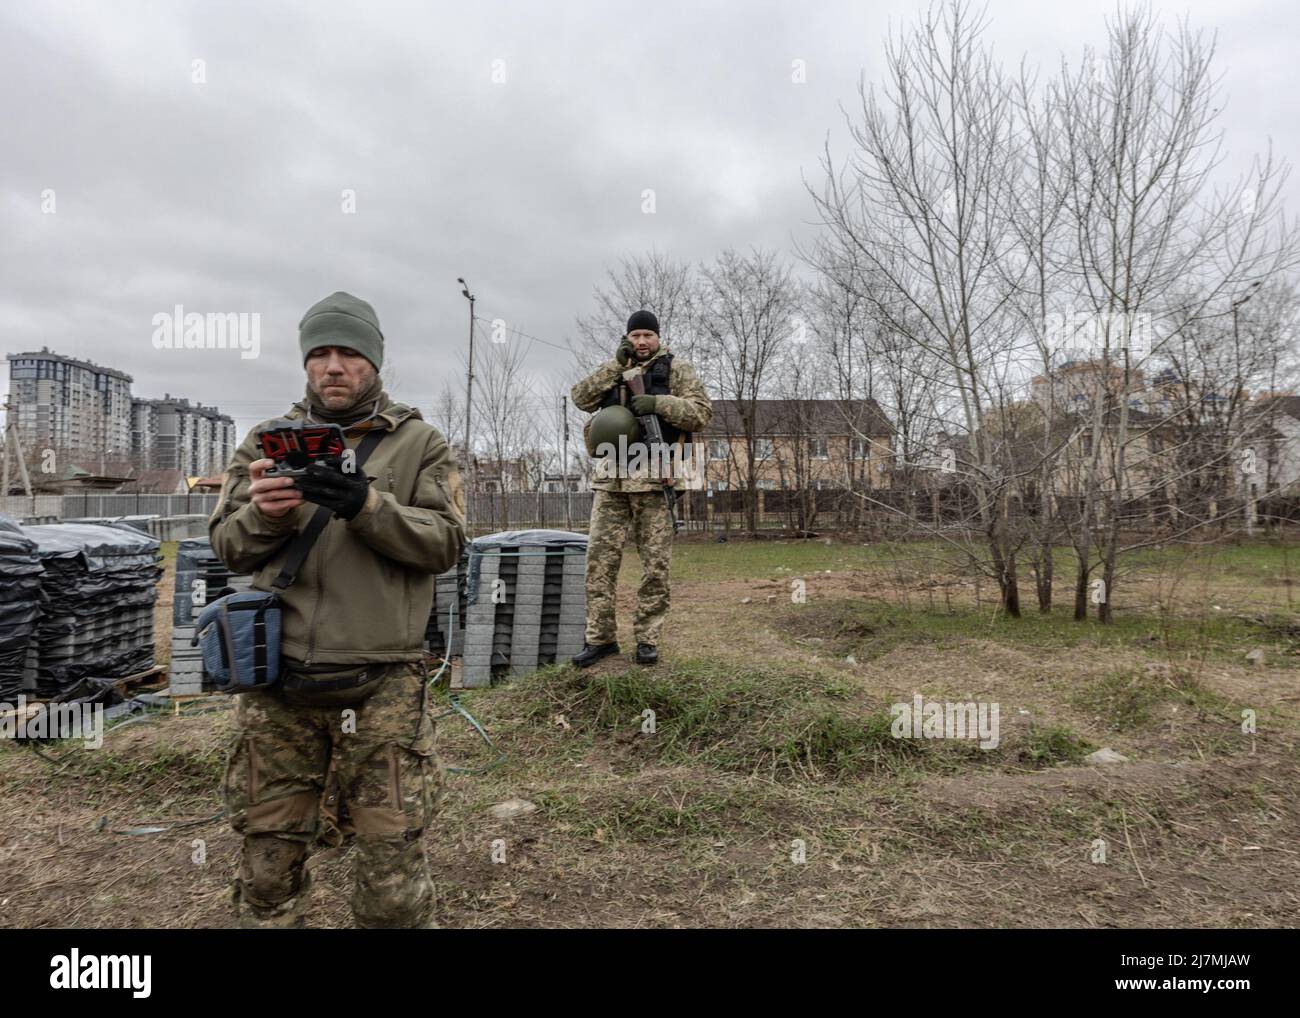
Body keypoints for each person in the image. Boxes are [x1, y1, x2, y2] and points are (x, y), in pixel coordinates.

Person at [208, 290, 467, 928]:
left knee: (390, 875)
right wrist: (265, 516)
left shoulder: (420, 444)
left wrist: (365, 506)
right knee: (267, 864)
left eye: (348, 353)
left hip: (383, 687)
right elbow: (226, 546)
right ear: (304, 365)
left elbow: (447, 543)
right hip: (279, 688)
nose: (332, 367)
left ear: (374, 362)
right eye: (319, 354)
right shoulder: (265, 442)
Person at [569, 310, 712, 667]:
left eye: (648, 335)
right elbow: (580, 398)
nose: (642, 342)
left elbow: (701, 413)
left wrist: (658, 403)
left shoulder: (677, 369)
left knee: (655, 568)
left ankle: (647, 639)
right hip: (611, 482)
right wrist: (614, 368)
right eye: (636, 336)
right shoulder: (616, 367)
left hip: (655, 479)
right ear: (628, 338)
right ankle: (600, 640)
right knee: (599, 565)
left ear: (658, 337)